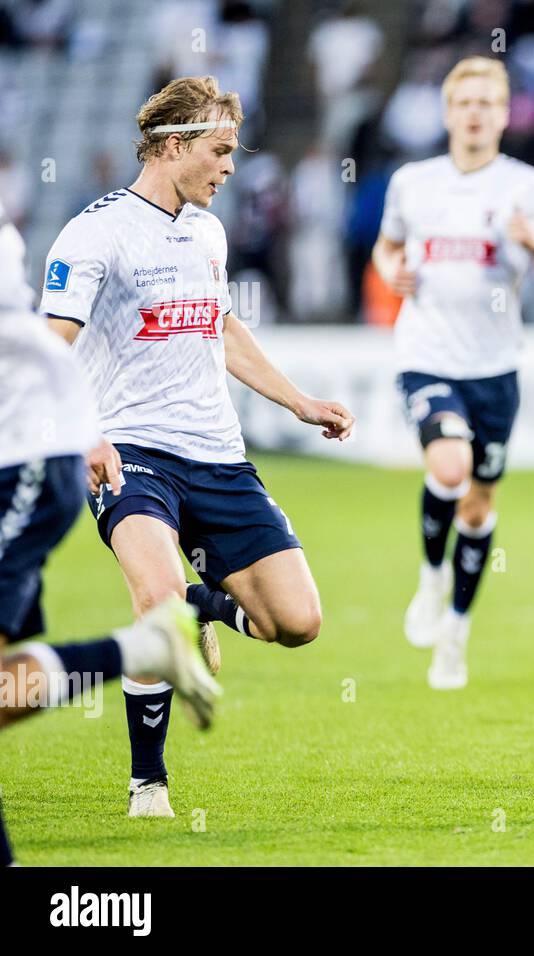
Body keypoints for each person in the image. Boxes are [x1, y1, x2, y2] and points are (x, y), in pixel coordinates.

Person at [40, 75, 354, 817]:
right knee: (154, 603)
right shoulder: (95, 234)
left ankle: (202, 607)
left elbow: (220, 328)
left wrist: (299, 401)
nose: (230, 167)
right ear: (172, 147)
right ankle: (148, 784)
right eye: (219, 150)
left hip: (217, 454)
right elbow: (51, 349)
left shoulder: (207, 232)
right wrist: (82, 433)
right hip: (133, 454)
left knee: (297, 623)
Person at [0, 196, 220, 866]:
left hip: (23, 458)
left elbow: (40, 342)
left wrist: (84, 428)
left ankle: (146, 644)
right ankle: (149, 644)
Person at [372, 56, 534, 690]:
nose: (476, 112)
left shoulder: (528, 187)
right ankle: (432, 577)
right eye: (465, 103)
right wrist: (389, 271)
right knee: (450, 467)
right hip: (427, 355)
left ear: (505, 113)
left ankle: (455, 631)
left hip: (496, 367)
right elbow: (387, 245)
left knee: (480, 508)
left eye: (488, 102)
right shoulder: (413, 181)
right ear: (447, 112)